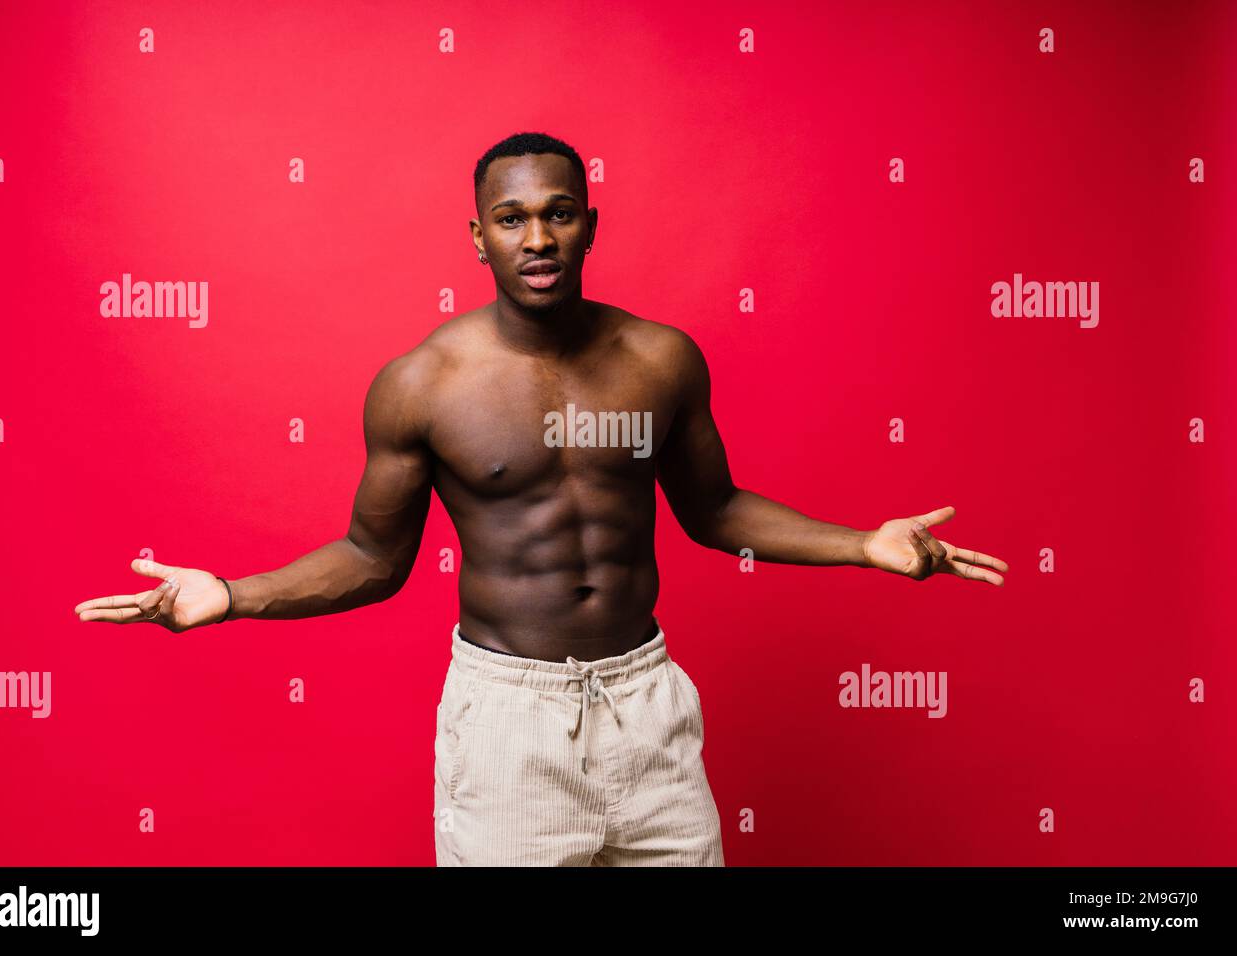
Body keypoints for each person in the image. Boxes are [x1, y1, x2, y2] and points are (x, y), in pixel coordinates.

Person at [74, 131, 1009, 866]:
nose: (539, 238)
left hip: (647, 705)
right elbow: (371, 559)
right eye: (512, 219)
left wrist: (863, 544)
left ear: (591, 225)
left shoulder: (660, 359)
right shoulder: (423, 384)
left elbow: (714, 510)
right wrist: (231, 595)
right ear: (477, 236)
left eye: (559, 214)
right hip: (508, 720)